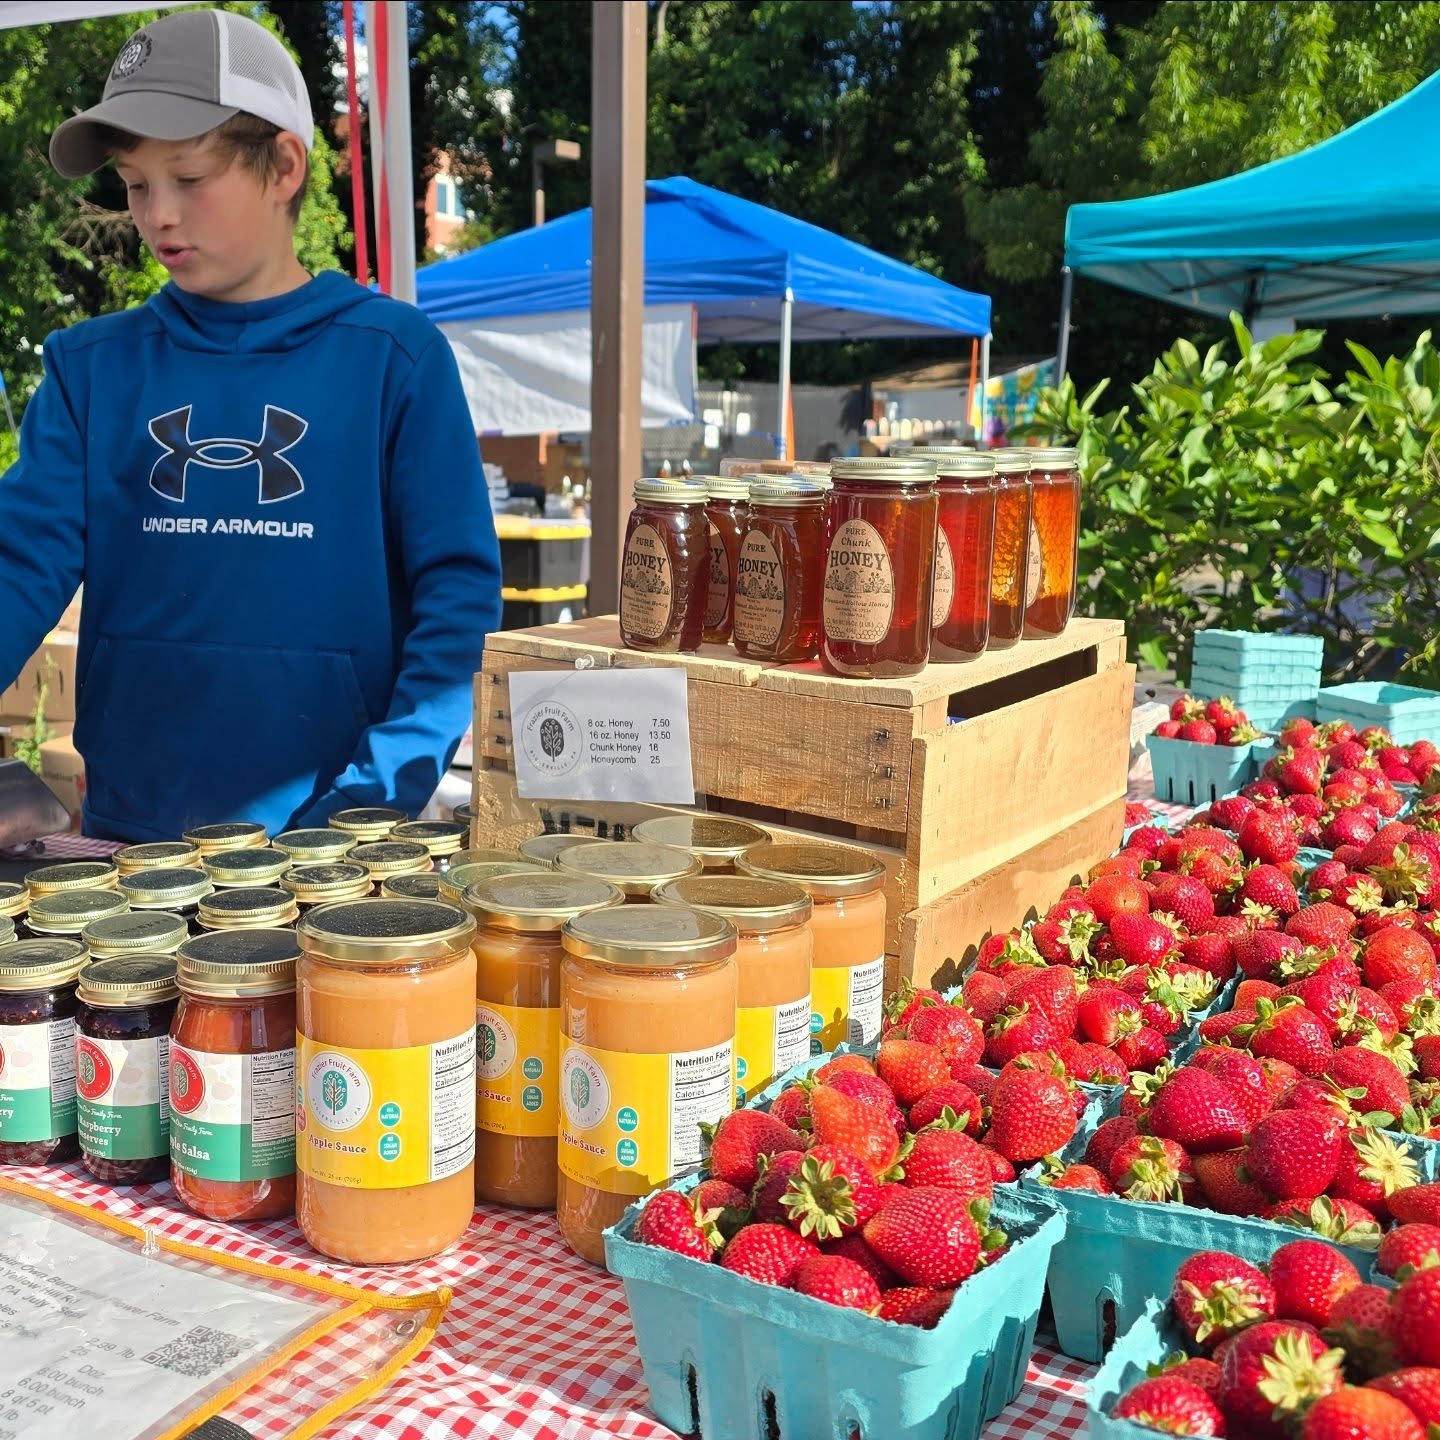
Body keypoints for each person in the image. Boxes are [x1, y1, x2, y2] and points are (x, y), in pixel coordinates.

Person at [0, 8, 501, 842]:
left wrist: (370, 800)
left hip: (335, 849)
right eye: (133, 183)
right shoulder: (89, 369)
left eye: (188, 178)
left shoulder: (394, 361)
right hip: (131, 845)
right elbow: (17, 566)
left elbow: (458, 609)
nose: (157, 214)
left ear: (283, 166)